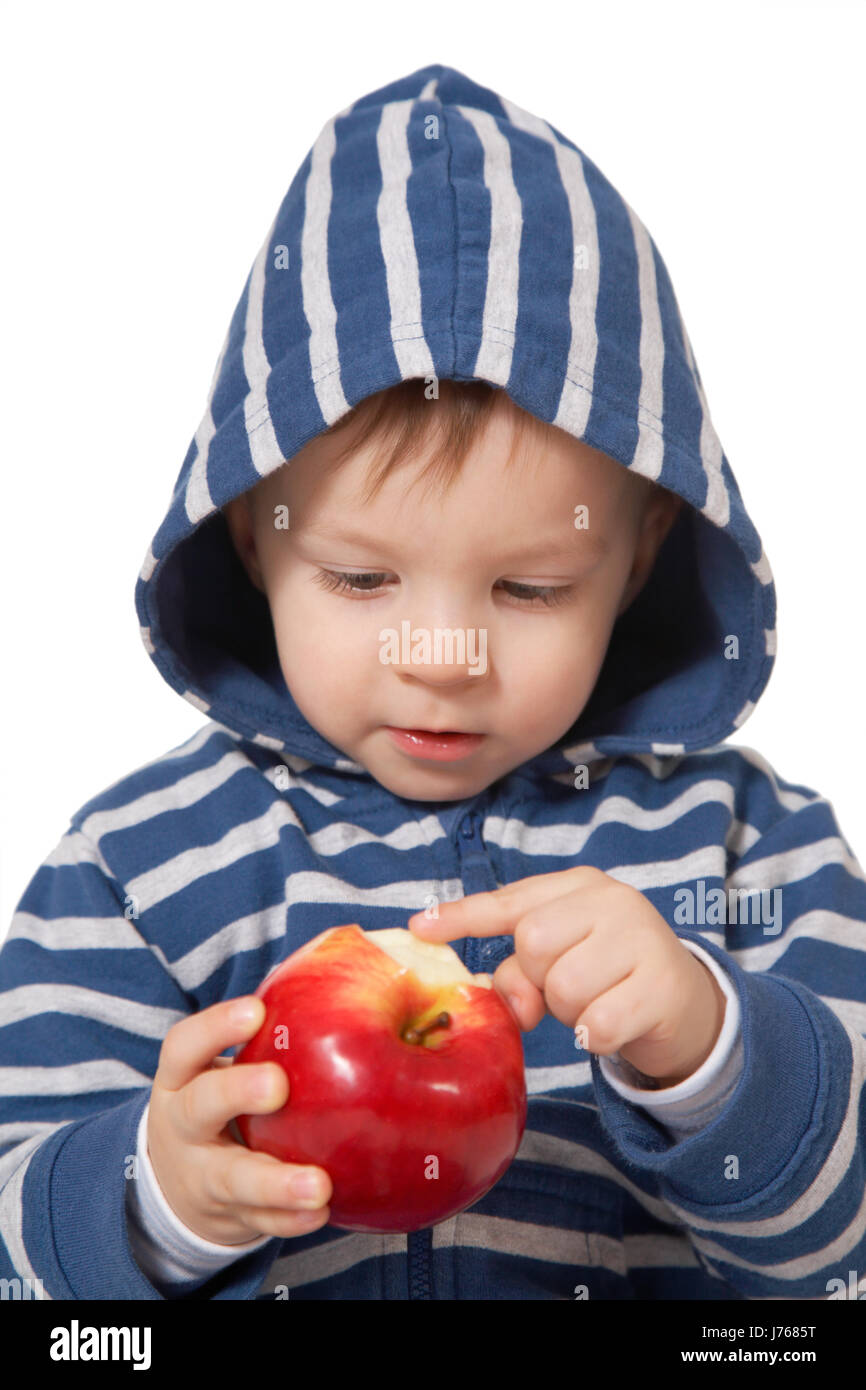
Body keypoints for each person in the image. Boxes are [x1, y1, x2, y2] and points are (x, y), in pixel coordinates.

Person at [2, 61, 863, 1302]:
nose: (440, 659)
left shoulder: (748, 856)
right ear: (251, 533)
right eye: (360, 580)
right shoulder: (136, 870)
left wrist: (710, 1051)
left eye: (528, 589)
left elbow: (835, 1263)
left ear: (638, 557)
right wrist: (160, 1200)